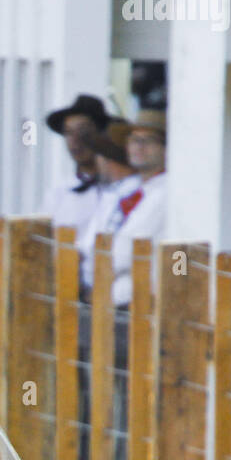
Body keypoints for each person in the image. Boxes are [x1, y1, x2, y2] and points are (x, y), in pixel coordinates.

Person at [109, 109, 167, 307]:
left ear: (165, 149)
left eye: (149, 140)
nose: (139, 147)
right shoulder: (131, 189)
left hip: (142, 300)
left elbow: (122, 253)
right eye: (134, 140)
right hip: (121, 297)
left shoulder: (165, 192)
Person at [77, 118, 137, 294]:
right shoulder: (115, 192)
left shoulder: (130, 193)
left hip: (115, 291)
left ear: (106, 159)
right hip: (102, 288)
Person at [42, 92, 110, 242]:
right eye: (68, 133)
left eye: (84, 132)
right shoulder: (59, 193)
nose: (75, 140)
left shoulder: (119, 189)